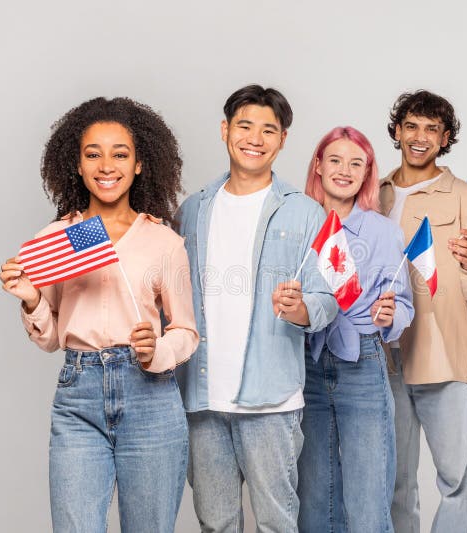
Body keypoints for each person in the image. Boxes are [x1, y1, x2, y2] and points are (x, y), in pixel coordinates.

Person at [0, 97, 199, 532]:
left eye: (120, 154)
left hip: (150, 399)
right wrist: (31, 300)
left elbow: (186, 331)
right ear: (78, 164)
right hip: (79, 398)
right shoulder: (59, 238)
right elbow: (51, 338)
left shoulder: (164, 242)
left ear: (140, 164)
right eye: (93, 154)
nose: (106, 166)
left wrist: (156, 350)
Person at [175, 84, 339, 532]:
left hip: (272, 400)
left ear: (283, 139)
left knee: (277, 523)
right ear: (225, 130)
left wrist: (301, 308)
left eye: (269, 130)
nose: (255, 138)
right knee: (215, 524)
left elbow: (329, 297)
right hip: (202, 397)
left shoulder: (308, 213)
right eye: (245, 126)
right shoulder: (192, 210)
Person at [381, 90, 467, 533]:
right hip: (382, 360)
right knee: (393, 483)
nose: (420, 137)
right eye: (412, 126)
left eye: (432, 129)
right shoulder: (374, 193)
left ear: (445, 138)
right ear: (397, 131)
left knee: (457, 481)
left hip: (446, 358)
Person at [297, 126, 414, 532]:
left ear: (367, 173)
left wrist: (390, 315)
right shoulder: (301, 223)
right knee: (315, 496)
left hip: (362, 362)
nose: (344, 171)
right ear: (318, 165)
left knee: (368, 498)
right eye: (335, 160)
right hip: (306, 363)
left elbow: (404, 303)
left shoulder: (383, 231)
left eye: (355, 163)